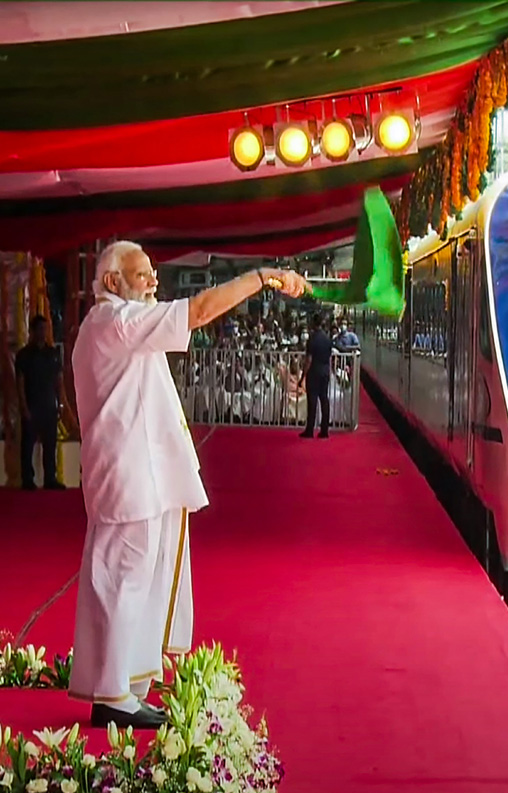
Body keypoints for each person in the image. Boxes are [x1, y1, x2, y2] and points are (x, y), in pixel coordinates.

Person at [69, 240, 308, 729]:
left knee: (136, 580)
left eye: (154, 272)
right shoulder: (117, 322)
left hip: (138, 475)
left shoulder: (116, 323)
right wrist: (261, 275)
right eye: (143, 275)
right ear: (113, 282)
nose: (154, 281)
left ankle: (125, 688)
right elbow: (198, 311)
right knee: (124, 581)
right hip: (130, 476)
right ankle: (114, 694)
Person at [15, 315, 66, 490]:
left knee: (50, 444)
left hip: (49, 406)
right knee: (27, 444)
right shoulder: (24, 355)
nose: (43, 333)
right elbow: (20, 382)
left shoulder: (53, 354)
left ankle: (50, 478)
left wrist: (60, 404)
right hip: (31, 404)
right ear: (32, 331)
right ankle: (27, 478)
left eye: (45, 329)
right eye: (40, 329)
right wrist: (24, 406)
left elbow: (59, 381)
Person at [298, 313, 333, 438]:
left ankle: (310, 430)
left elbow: (309, 360)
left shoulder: (312, 339)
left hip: (314, 372)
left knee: (312, 402)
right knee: (324, 400)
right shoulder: (327, 338)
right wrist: (329, 371)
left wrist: (302, 376)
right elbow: (329, 358)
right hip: (325, 372)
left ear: (313, 323)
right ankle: (324, 430)